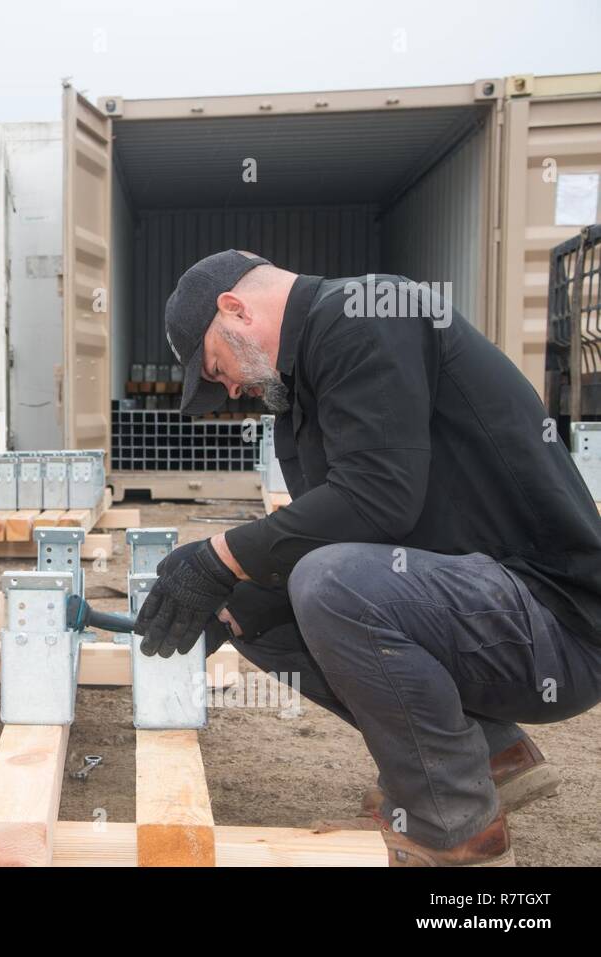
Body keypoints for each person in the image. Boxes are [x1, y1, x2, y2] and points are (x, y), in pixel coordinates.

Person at [142, 249, 601, 865]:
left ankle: (454, 827)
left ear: (235, 310)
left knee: (330, 583)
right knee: (251, 606)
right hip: (487, 614)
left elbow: (378, 500)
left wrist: (217, 555)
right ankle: (493, 756)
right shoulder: (300, 398)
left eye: (215, 366)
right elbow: (335, 531)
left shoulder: (368, 313)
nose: (227, 387)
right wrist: (225, 606)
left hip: (557, 625)